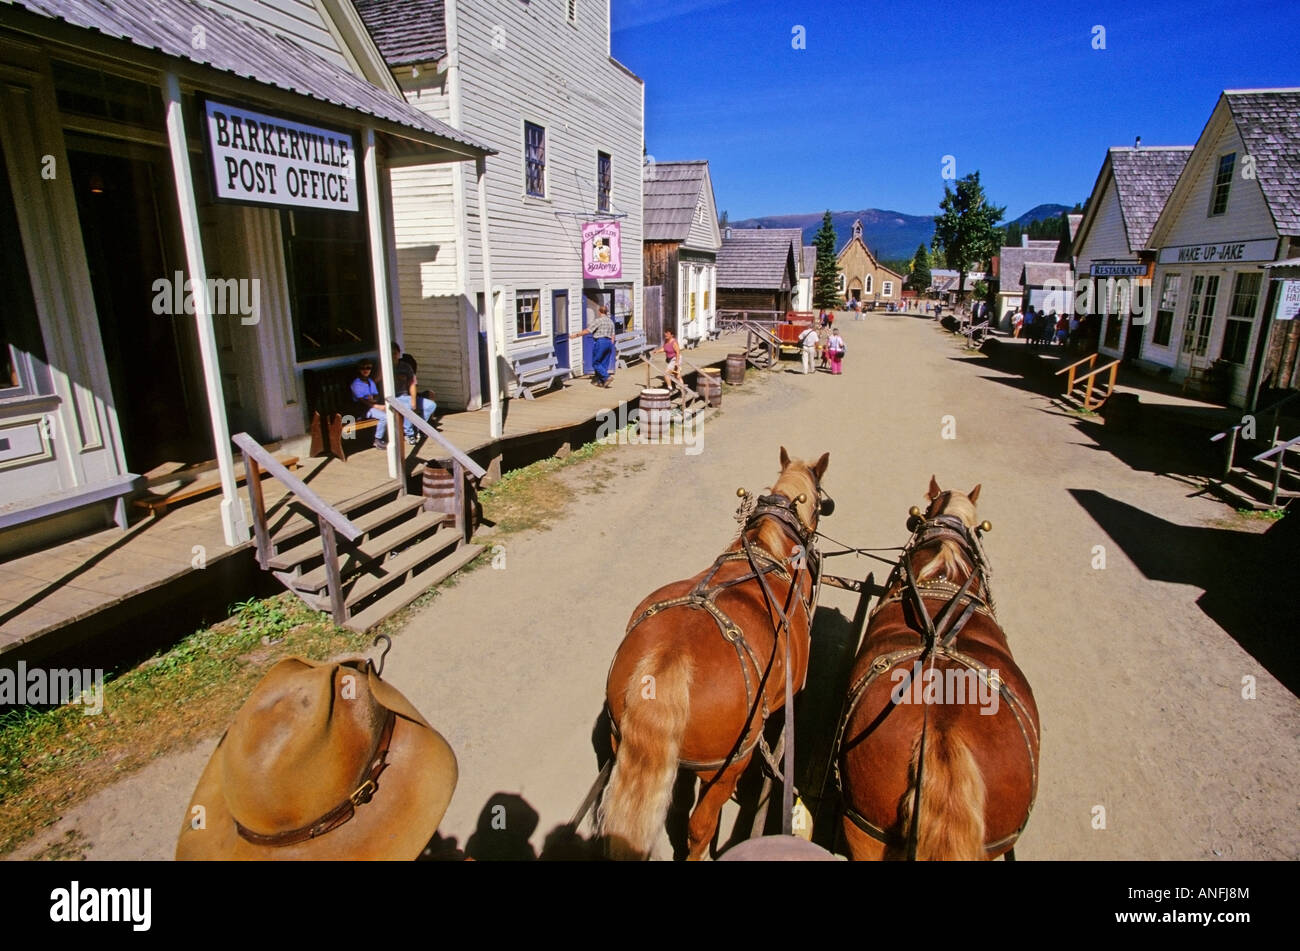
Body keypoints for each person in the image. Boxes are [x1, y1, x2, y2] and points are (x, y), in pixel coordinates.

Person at [390, 341, 435, 444]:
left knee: (430, 405)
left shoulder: (405, 367)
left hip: (405, 396)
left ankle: (418, 427)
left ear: (398, 353)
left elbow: (413, 384)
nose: (393, 356)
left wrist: (413, 400)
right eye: (390, 353)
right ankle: (409, 434)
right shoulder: (384, 367)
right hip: (393, 398)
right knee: (408, 406)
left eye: (395, 353)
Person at [350, 359, 389, 449]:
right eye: (362, 368)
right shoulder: (356, 384)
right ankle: (378, 440)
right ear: (359, 370)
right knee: (384, 417)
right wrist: (377, 406)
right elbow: (362, 401)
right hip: (362, 409)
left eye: (368, 368)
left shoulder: (370, 381)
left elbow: (376, 395)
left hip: (371, 406)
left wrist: (375, 399)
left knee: (390, 413)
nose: (365, 370)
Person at [578, 304, 616, 387]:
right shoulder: (610, 321)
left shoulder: (598, 321)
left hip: (600, 341)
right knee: (604, 363)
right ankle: (602, 381)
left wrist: (576, 335)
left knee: (596, 363)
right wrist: (610, 343)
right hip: (609, 342)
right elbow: (613, 335)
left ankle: (607, 377)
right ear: (607, 312)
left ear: (599, 312)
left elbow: (588, 330)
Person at [655, 329, 686, 404]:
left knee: (666, 374)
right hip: (671, 360)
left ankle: (670, 388)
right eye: (665, 333)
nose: (665, 335)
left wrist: (677, 362)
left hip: (675, 359)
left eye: (667, 334)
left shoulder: (674, 342)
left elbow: (678, 352)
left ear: (672, 335)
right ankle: (683, 391)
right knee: (677, 376)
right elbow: (664, 348)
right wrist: (657, 351)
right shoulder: (666, 341)